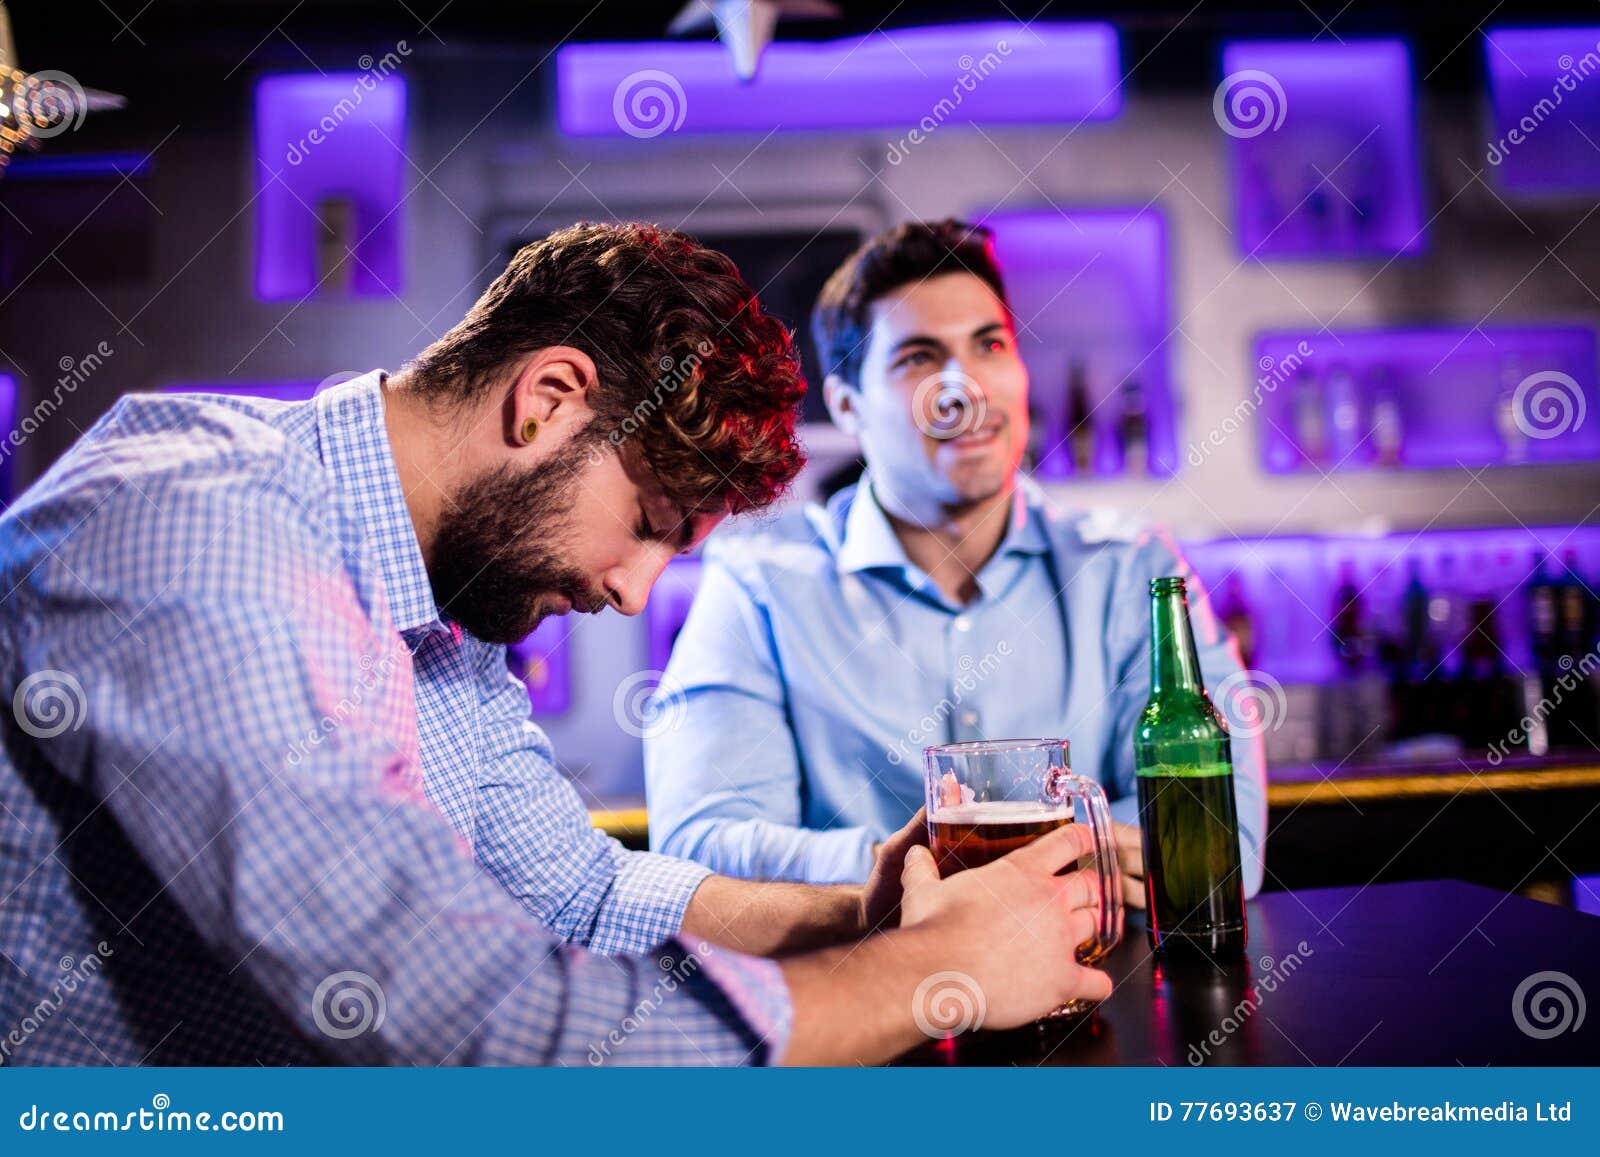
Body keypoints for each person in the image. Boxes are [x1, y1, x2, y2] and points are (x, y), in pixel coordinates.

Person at [0, 222, 1113, 1068]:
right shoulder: (204, 532)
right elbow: (461, 1010)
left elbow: (577, 889)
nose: (634, 594)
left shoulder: (443, 597)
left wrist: (857, 911)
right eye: (649, 527)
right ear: (547, 401)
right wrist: (927, 972)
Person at [644, 219, 1266, 902]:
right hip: (869, 1001)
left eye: (989, 344)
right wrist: (1014, 858)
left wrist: (919, 871)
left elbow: (1220, 841)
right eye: (917, 357)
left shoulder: (1129, 567)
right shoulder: (759, 582)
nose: (964, 388)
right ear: (848, 405)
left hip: (1105, 995)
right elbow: (699, 851)